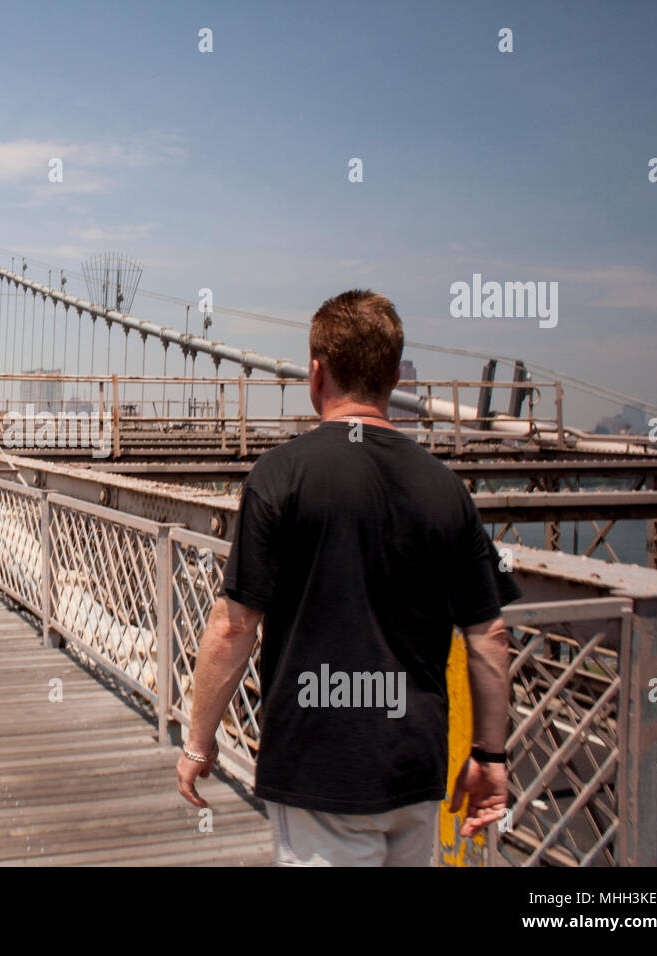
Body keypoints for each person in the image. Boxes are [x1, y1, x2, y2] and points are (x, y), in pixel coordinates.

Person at [176, 289, 520, 866]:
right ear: (392, 377)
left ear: (316, 375)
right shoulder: (447, 488)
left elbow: (235, 629)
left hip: (318, 768)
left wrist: (198, 740)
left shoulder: (279, 475)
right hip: (417, 771)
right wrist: (491, 756)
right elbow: (491, 637)